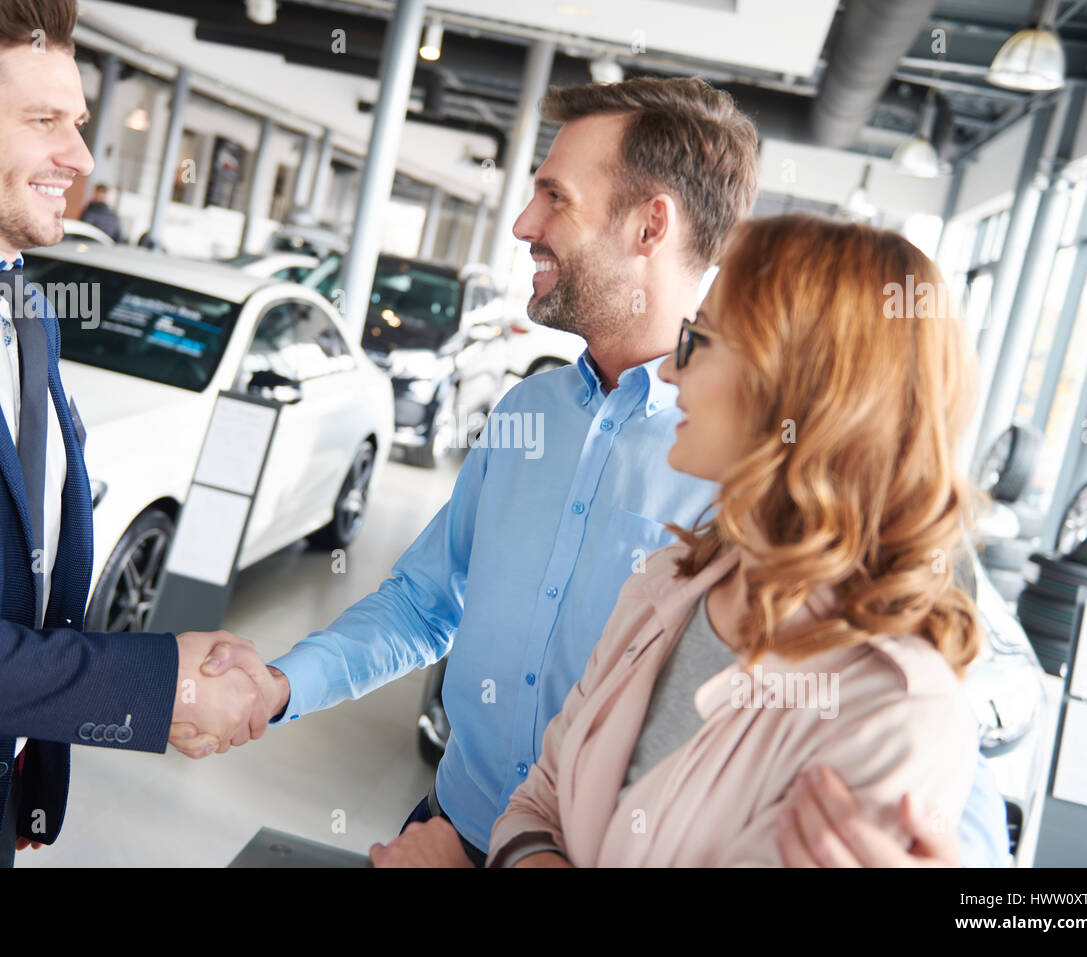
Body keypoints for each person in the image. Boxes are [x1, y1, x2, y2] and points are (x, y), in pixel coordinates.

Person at [201, 76, 1007, 866]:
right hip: (457, 827)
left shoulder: (775, 473)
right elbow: (425, 599)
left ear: (650, 225)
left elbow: (928, 753)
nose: (523, 223)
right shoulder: (533, 419)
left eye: (555, 197)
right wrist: (281, 684)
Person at [0, 0, 275, 868]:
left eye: (75, 122)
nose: (78, 158)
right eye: (43, 121)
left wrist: (26, 785)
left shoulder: (27, 309)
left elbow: (26, 562)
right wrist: (161, 685)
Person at [480, 215, 982, 867]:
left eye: (699, 340)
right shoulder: (669, 582)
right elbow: (535, 807)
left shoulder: (895, 711)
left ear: (803, 385)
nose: (666, 370)